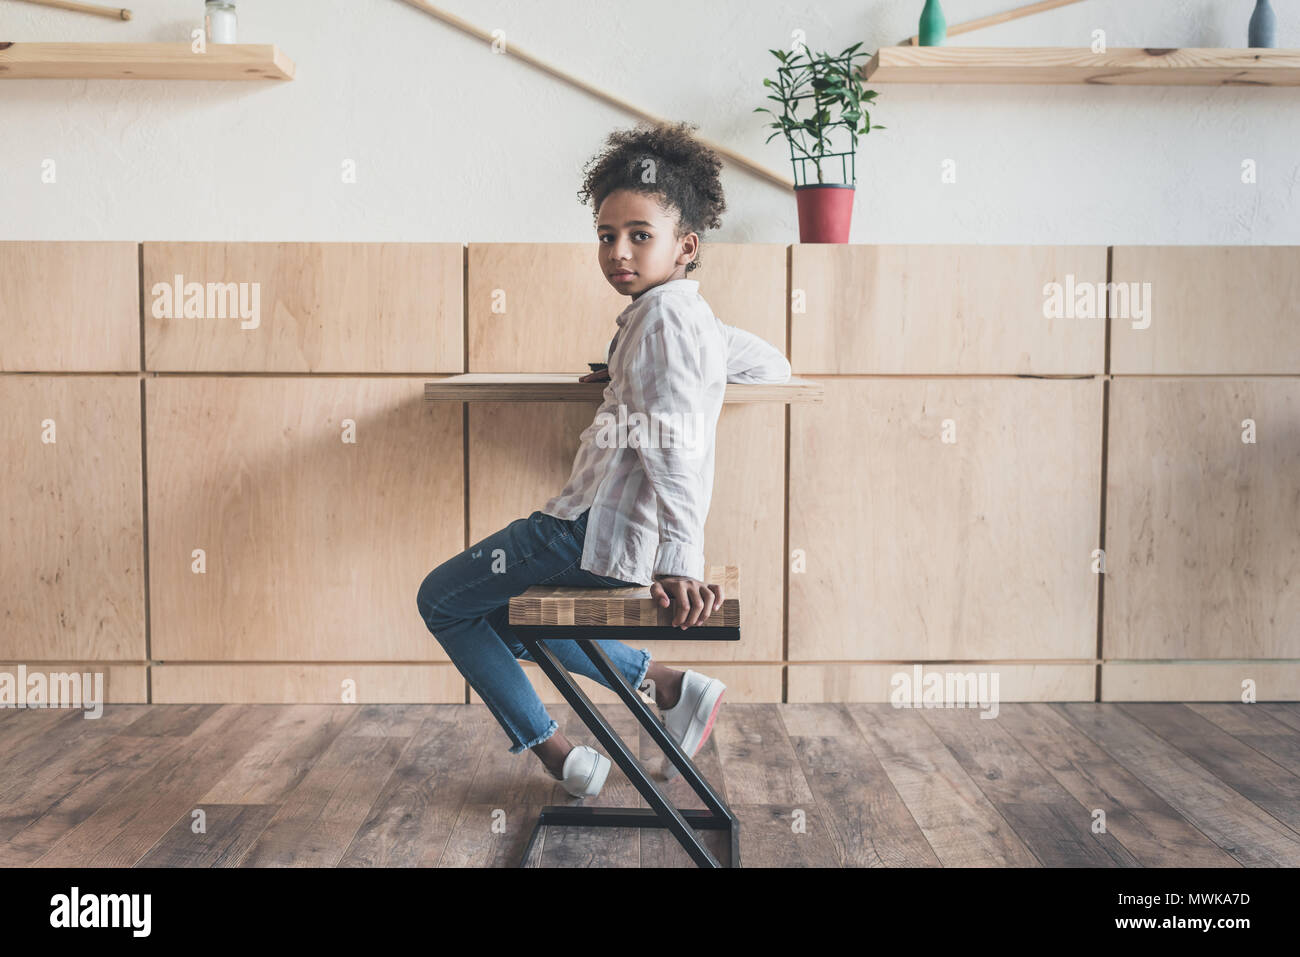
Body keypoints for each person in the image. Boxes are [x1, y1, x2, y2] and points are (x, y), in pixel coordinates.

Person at [416, 120, 790, 798]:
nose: (619, 250)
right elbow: (772, 364)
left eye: (640, 235)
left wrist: (683, 561)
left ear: (686, 245)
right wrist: (623, 373)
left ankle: (563, 756)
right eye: (606, 235)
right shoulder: (686, 317)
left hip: (581, 532)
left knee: (442, 600)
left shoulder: (662, 322)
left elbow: (675, 444)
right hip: (611, 536)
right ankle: (669, 686)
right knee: (501, 609)